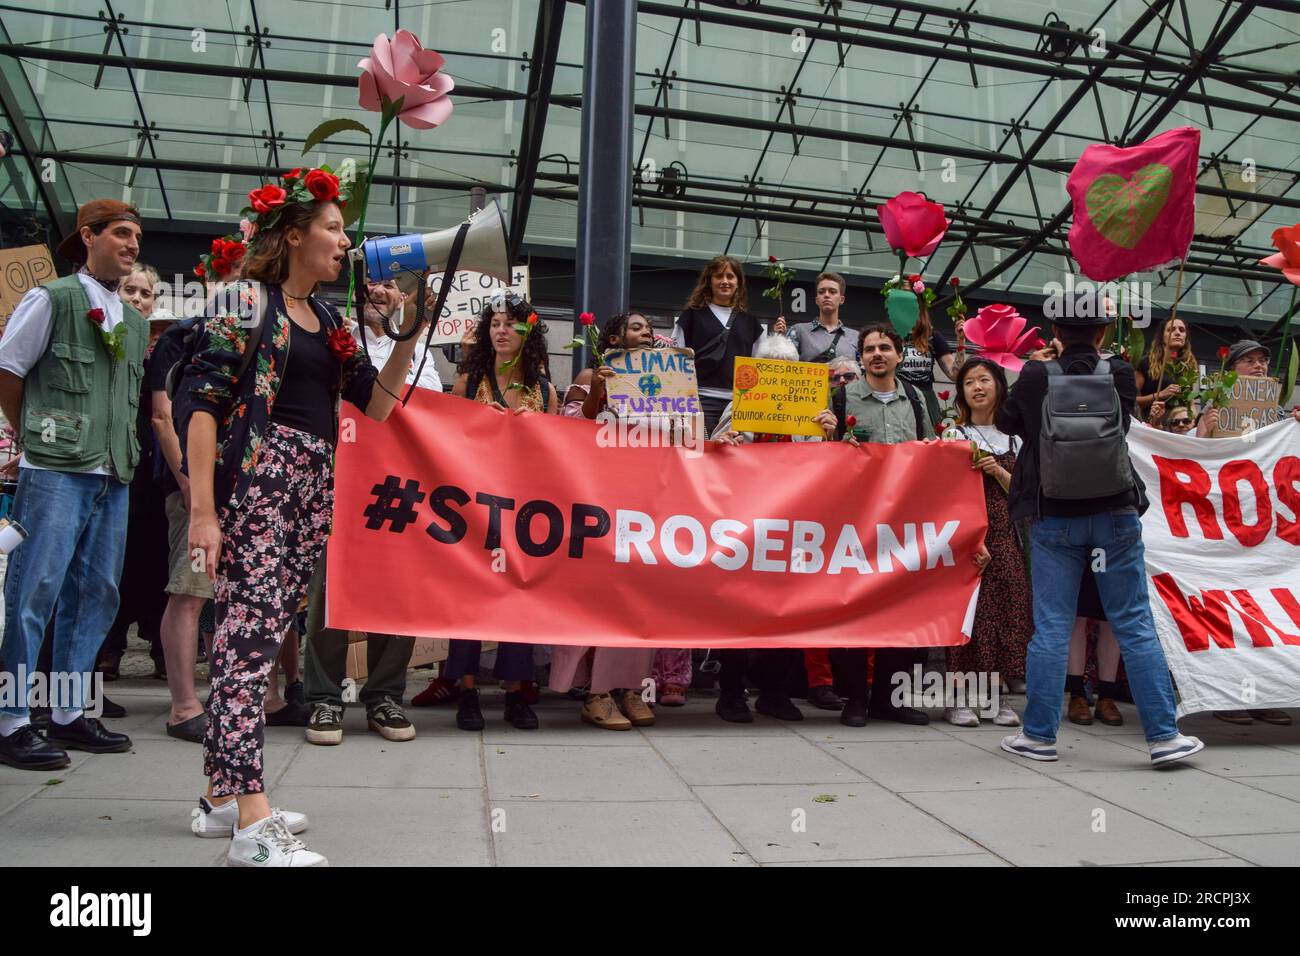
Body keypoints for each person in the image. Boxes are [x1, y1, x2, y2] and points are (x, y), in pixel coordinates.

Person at [181, 167, 430, 866]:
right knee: (247, 644)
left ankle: (218, 797)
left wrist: (405, 337)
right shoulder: (244, 301)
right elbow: (201, 406)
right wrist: (204, 510)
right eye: (332, 228)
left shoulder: (331, 323)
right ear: (293, 235)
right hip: (257, 486)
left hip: (307, 489)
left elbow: (377, 407)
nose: (344, 241)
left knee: (255, 634)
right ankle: (252, 824)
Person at [994, 306, 1205, 766]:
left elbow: (1008, 423)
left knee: (1051, 626)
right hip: (1115, 512)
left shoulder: (1035, 375)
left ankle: (1039, 737)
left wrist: (1041, 370)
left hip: (1054, 515)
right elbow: (1122, 427)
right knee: (1131, 621)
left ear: (1054, 331)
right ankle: (1164, 738)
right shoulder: (1122, 374)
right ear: (1104, 331)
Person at [0, 199, 147, 770]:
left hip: (114, 473)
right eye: (122, 234)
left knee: (97, 595)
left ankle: (67, 712)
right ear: (88, 236)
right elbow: (8, 370)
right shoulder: (51, 297)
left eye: (137, 237)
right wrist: (33, 436)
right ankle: (12, 719)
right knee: (34, 591)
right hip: (56, 471)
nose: (133, 245)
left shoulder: (134, 321)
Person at [302, 279, 441, 747]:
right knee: (329, 591)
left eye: (387, 285)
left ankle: (384, 695)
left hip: (398, 493)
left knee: (396, 594)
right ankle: (324, 697)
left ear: (401, 298)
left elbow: (434, 414)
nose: (376, 291)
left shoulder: (420, 354)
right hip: (340, 486)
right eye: (369, 284)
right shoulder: (333, 339)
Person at [441, 293, 557, 732]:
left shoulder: (544, 391)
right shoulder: (468, 383)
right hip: (474, 507)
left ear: (529, 332)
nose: (502, 330)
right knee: (470, 597)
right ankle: (467, 691)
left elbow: (554, 455)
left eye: (511, 323)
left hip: (526, 512)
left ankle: (515, 692)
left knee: (519, 596)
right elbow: (447, 443)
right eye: (495, 324)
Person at [710, 334, 839, 723]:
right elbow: (712, 451)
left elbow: (830, 470)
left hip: (793, 523)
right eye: (772, 367)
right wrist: (723, 441)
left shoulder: (813, 411)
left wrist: (829, 435)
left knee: (787, 610)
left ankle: (775, 693)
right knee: (737, 610)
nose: (779, 374)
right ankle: (731, 693)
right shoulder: (740, 403)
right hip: (746, 523)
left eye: (786, 368)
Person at [549, 311, 658, 729]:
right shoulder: (593, 372)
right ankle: (595, 693)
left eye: (648, 328)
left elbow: (683, 430)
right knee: (599, 596)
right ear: (614, 337)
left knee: (637, 596)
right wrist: (597, 390)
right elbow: (570, 426)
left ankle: (628, 687)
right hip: (599, 499)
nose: (646, 332)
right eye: (636, 327)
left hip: (647, 500)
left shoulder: (667, 377)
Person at [831, 324, 942, 727]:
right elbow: (820, 462)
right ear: (860, 358)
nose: (877, 354)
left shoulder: (916, 398)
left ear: (899, 355)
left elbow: (932, 452)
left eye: (885, 348)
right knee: (854, 612)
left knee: (902, 611)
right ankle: (855, 699)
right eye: (870, 349)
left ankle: (889, 700)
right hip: (854, 524)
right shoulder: (840, 398)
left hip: (903, 523)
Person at [942, 357, 1029, 728]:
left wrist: (999, 471)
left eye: (984, 380)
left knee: (1005, 612)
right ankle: (958, 698)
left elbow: (1023, 494)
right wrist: (967, 538)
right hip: (966, 536)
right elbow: (942, 493)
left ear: (998, 386)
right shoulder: (952, 436)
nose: (977, 387)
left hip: (1005, 534)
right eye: (969, 382)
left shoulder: (1015, 439)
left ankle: (995, 697)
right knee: (968, 616)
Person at [98, 264, 171, 683]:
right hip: (115, 467)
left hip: (157, 470)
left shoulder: (166, 348)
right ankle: (109, 650)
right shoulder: (106, 340)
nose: (138, 299)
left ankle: (163, 651)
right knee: (115, 562)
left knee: (158, 559)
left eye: (146, 293)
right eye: (131, 290)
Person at [801, 355, 864, 711]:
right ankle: (820, 682)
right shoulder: (809, 413)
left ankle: (864, 683)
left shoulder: (859, 408)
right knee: (814, 603)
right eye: (833, 377)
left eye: (848, 376)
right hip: (814, 521)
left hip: (857, 521)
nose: (841, 381)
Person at [671, 255, 763, 436]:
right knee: (698, 456)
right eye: (718, 276)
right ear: (709, 281)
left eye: (730, 276)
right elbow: (675, 360)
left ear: (738, 282)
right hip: (698, 401)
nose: (724, 281)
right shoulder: (690, 316)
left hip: (738, 406)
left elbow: (759, 366)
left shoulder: (751, 323)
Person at [892, 279, 957, 428]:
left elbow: (955, 375)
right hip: (897, 401)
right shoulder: (888, 335)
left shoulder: (932, 336)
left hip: (926, 402)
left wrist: (960, 343)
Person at [774, 272, 858, 364]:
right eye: (821, 292)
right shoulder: (798, 331)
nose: (826, 295)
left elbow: (863, 373)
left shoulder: (856, 337)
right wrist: (779, 339)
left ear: (842, 299)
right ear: (817, 300)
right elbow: (784, 366)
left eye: (832, 291)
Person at [1134, 317, 1196, 421]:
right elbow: (1132, 400)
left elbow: (1191, 403)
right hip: (1153, 425)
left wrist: (1193, 420)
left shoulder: (1188, 365)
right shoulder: (1146, 363)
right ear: (1162, 337)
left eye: (1182, 330)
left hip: (1179, 426)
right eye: (1171, 329)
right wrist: (1160, 395)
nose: (1177, 333)